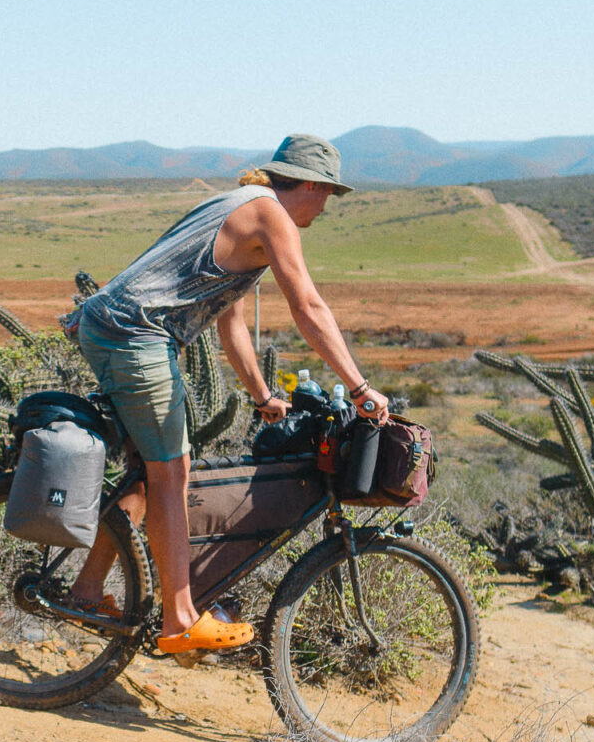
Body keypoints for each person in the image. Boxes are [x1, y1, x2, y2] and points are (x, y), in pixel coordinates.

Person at [62, 133, 390, 655]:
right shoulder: (270, 216)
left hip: (113, 327)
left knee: (152, 472)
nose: (326, 206)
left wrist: (262, 394)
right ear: (308, 183)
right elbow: (308, 306)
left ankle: (85, 589)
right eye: (327, 193)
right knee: (173, 472)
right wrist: (360, 387)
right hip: (133, 333)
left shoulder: (240, 208)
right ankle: (180, 622)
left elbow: (228, 321)